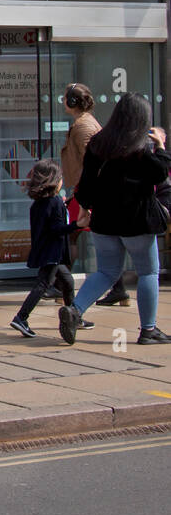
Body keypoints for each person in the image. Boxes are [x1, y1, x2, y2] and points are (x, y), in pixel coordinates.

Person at [63, 94, 171, 345]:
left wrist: (85, 208)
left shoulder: (99, 143)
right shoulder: (140, 147)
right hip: (137, 221)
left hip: (104, 219)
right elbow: (159, 174)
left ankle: (75, 310)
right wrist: (162, 147)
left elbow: (87, 180)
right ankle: (148, 330)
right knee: (148, 272)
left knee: (106, 271)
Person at [60, 83, 128, 306]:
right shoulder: (83, 123)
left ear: (72, 102)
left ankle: (58, 283)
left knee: (71, 234)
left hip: (87, 190)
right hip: (85, 189)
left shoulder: (84, 127)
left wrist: (87, 195)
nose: (62, 101)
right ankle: (118, 288)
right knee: (83, 234)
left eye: (65, 98)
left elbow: (96, 161)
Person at [10, 159, 92, 338]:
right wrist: (77, 224)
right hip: (52, 252)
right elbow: (56, 229)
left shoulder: (39, 203)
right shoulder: (54, 202)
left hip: (47, 250)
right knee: (43, 284)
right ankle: (21, 317)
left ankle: (74, 317)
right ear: (55, 180)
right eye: (61, 177)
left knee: (68, 282)